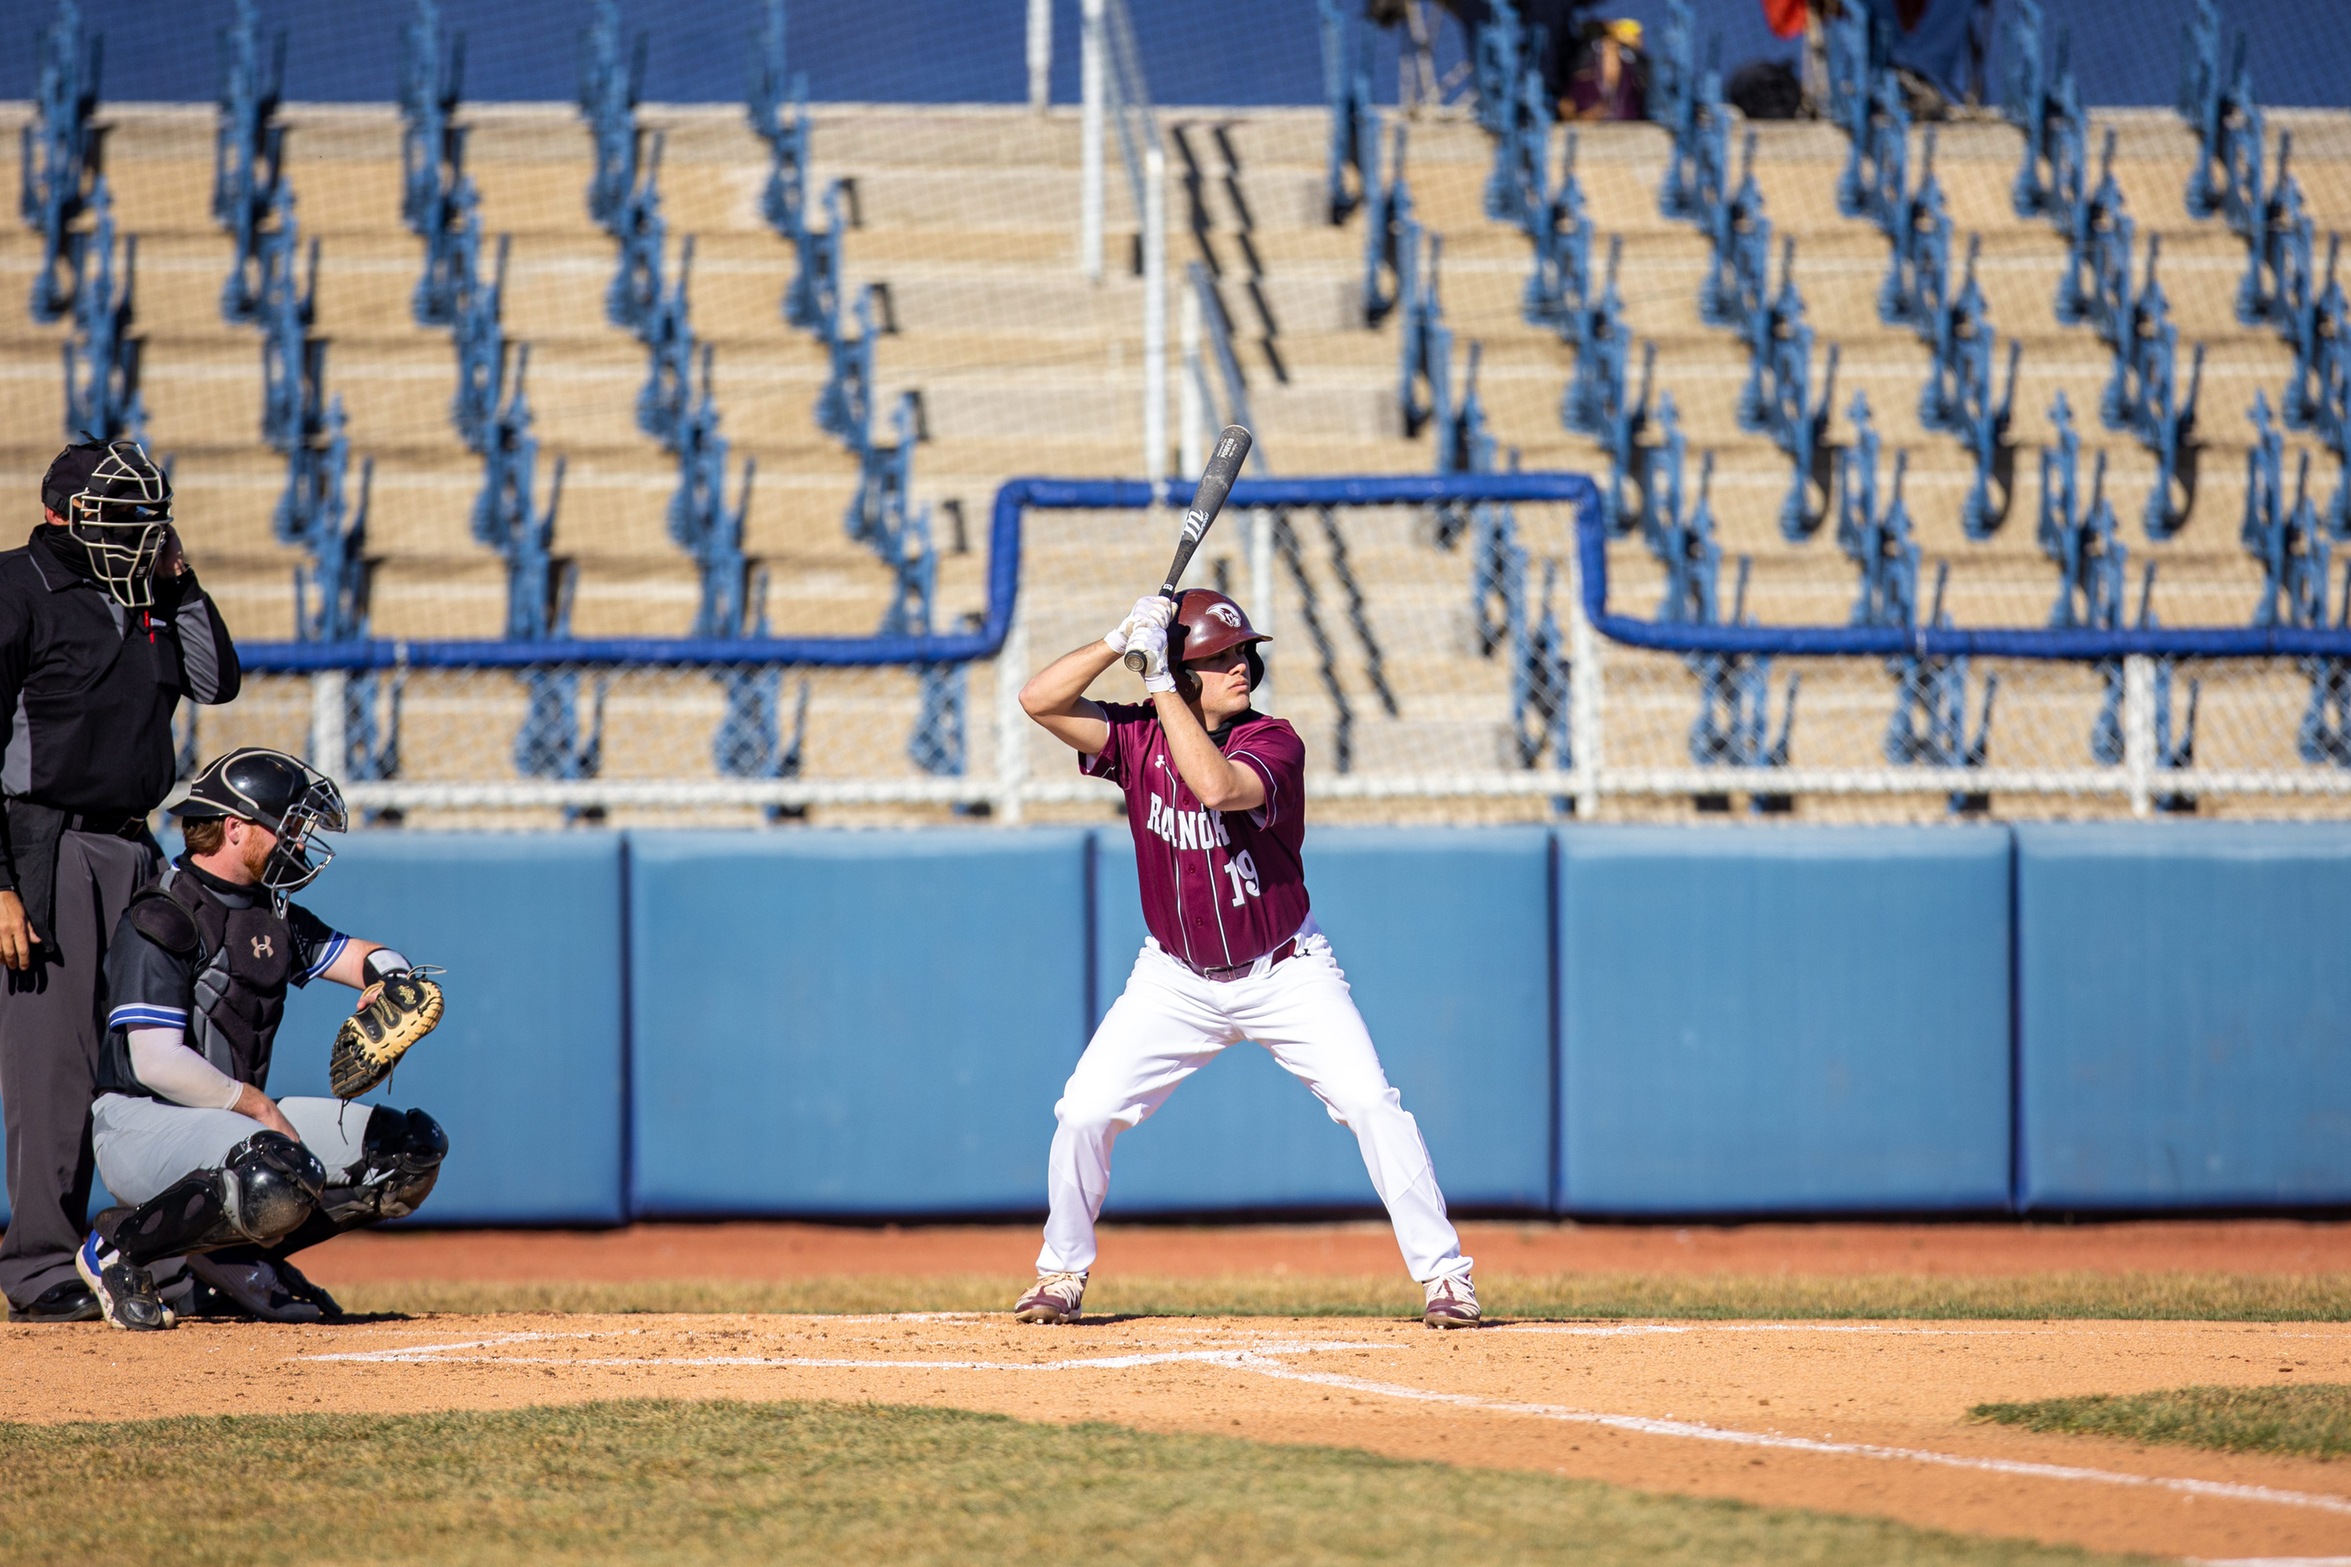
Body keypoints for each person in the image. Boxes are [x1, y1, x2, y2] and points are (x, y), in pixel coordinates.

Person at [1012, 590, 1479, 1329]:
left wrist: (1161, 677)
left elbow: (1216, 786)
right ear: (1186, 670)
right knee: (1083, 1111)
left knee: (1369, 1102)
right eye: (1220, 657)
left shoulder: (1273, 739)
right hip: (1173, 979)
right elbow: (1037, 698)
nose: (1240, 667)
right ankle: (1061, 1271)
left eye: (1241, 653)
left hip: (1284, 970)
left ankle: (1446, 1278)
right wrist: (1116, 639)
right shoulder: (1136, 738)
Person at [73, 747, 449, 1331]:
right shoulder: (162, 914)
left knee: (407, 1153)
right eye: (289, 828)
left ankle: (239, 1261)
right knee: (274, 1165)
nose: (299, 843)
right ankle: (118, 1250)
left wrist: (393, 981)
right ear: (234, 829)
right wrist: (259, 1107)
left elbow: (361, 955)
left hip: (237, 1128)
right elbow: (155, 1062)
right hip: (140, 1124)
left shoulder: (271, 913)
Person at [0, 438, 241, 1324]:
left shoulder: (149, 595)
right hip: (45, 846)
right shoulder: (16, 585)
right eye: (122, 515)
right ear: (64, 512)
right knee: (50, 1070)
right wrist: (0, 885)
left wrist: (180, 581)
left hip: (137, 849)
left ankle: (144, 1254)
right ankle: (37, 1266)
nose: (142, 532)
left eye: (151, 516)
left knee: (144, 1064)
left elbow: (218, 682)